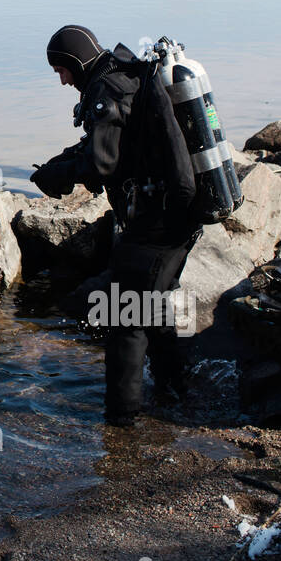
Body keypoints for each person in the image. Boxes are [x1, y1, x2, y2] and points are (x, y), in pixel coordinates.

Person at [31, 24, 202, 426]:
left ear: (76, 61)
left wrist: (65, 175)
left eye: (62, 70)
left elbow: (101, 162)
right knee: (153, 305)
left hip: (157, 221)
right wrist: (59, 163)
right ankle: (175, 392)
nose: (62, 80)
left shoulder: (105, 90)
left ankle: (121, 424)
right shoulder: (126, 77)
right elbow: (113, 146)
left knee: (126, 318)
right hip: (181, 210)